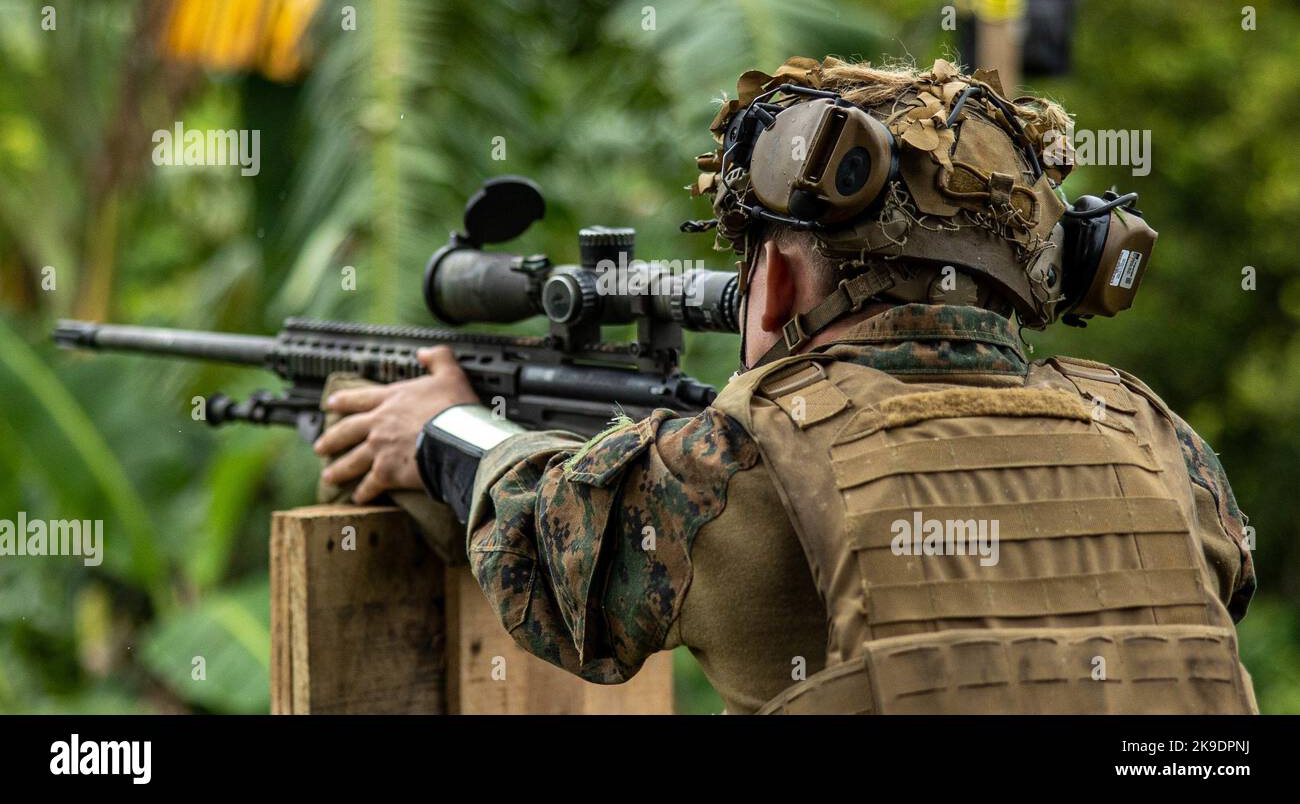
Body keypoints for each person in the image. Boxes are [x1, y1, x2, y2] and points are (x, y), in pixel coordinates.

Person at [312, 56, 1257, 714]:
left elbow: (551, 556)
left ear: (784, 280)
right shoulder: (1162, 446)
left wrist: (439, 427)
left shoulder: (746, 460)